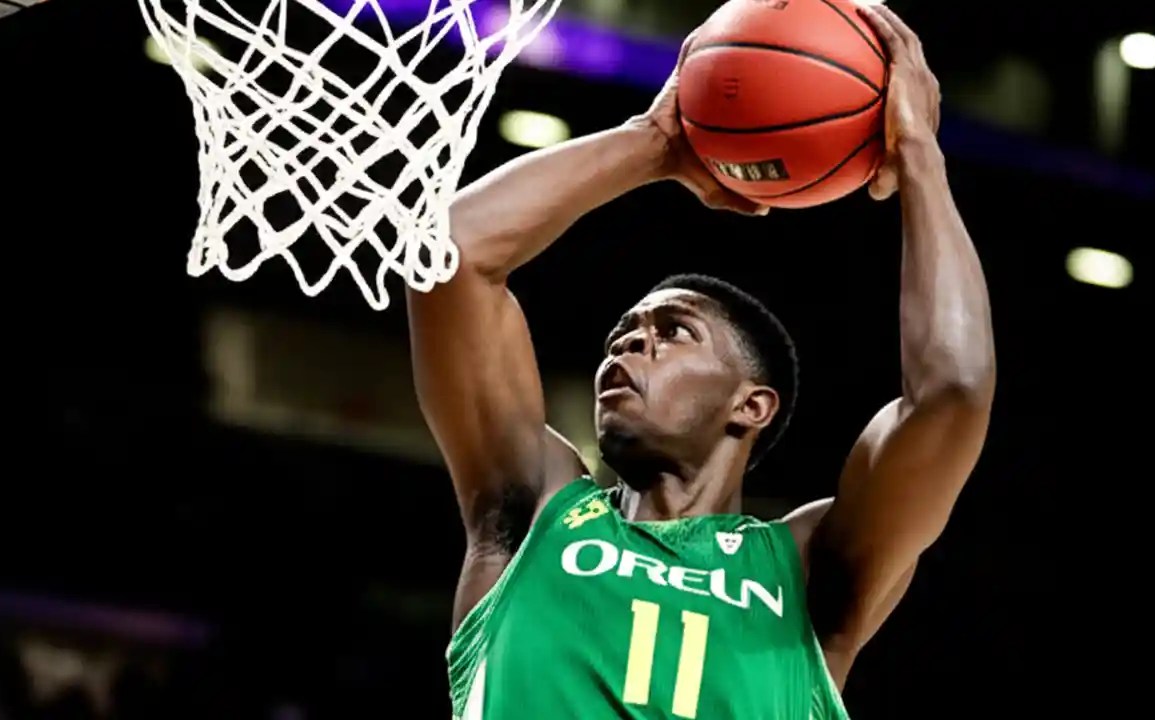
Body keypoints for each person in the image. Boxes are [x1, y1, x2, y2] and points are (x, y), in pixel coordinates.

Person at [407, 5, 994, 719]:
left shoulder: (808, 571)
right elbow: (452, 257)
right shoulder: (534, 510)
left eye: (673, 331)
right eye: (622, 332)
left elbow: (953, 391)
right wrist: (652, 143)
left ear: (752, 404)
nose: (627, 343)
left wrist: (919, 159)